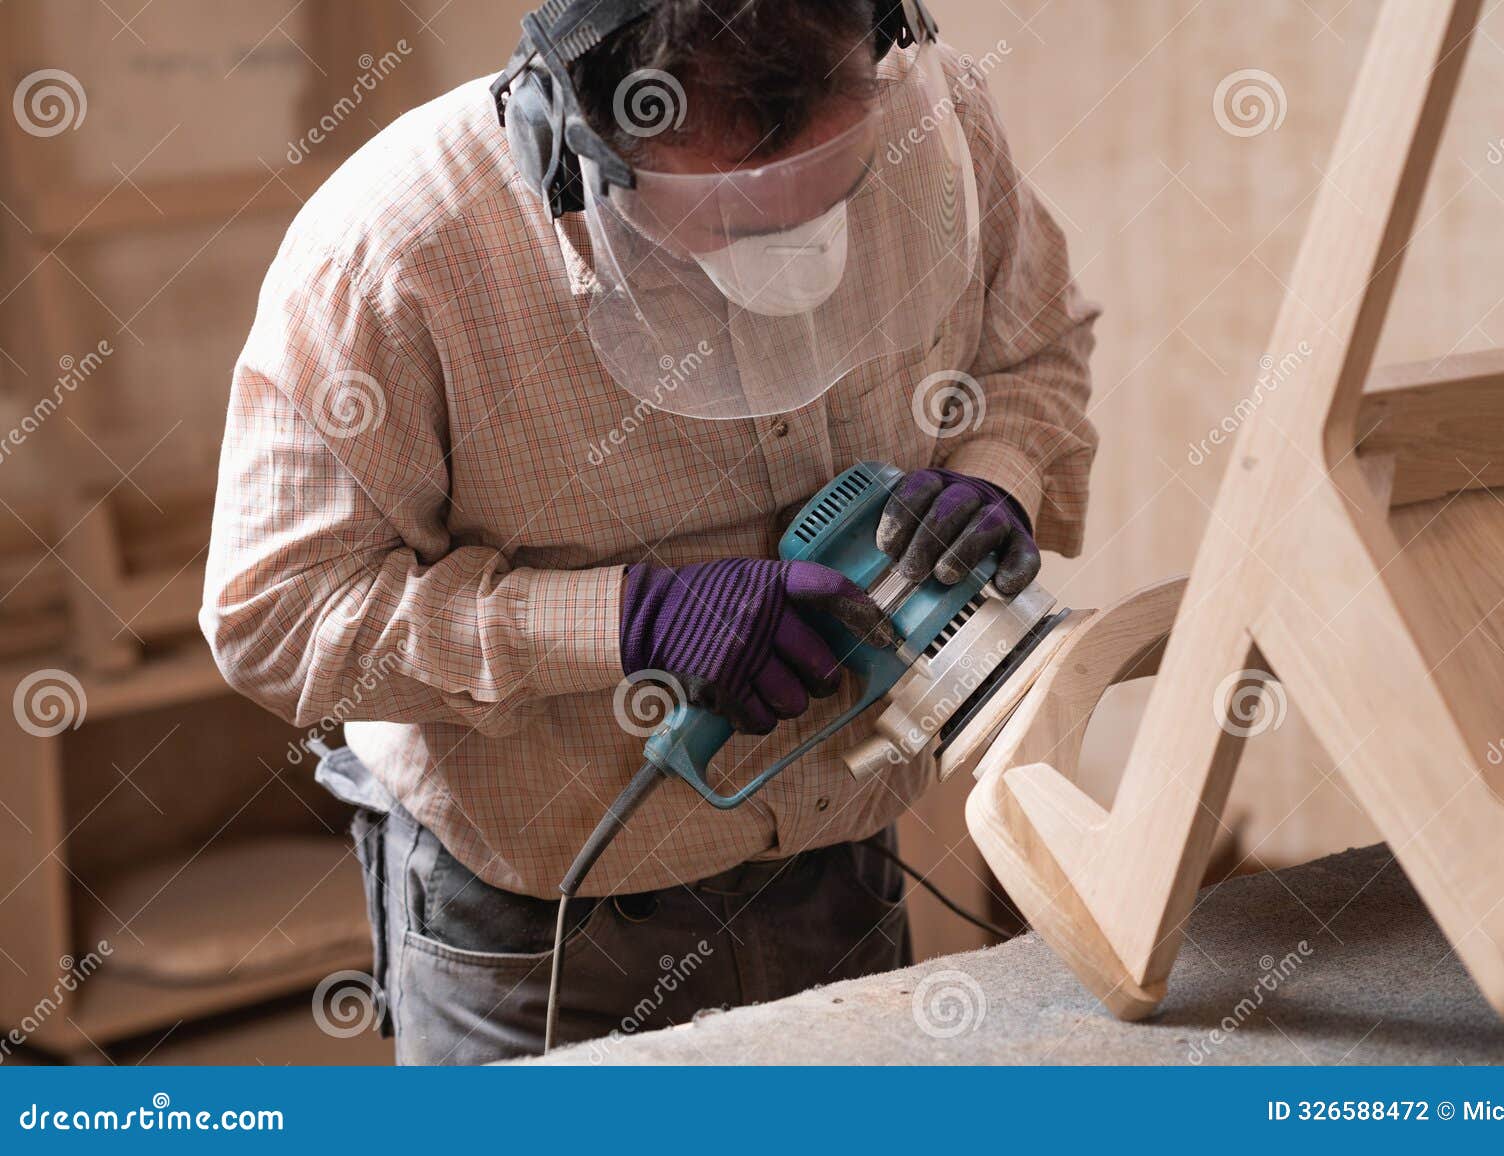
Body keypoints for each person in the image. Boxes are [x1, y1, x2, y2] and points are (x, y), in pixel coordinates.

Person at [201, 0, 1097, 1065]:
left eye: (833, 190)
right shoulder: (396, 253)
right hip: (546, 933)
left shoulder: (930, 122)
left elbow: (1034, 350)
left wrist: (997, 476)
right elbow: (279, 617)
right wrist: (622, 622)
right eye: (727, 218)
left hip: (843, 862)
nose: (797, 255)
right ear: (576, 138)